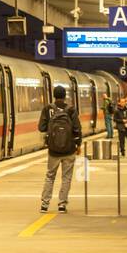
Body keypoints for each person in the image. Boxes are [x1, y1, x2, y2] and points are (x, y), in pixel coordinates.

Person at [39, 85, 82, 213]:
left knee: (50, 176)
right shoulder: (71, 110)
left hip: (53, 150)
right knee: (66, 177)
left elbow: (41, 127)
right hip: (69, 149)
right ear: (64, 96)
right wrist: (78, 144)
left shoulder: (48, 109)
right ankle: (62, 204)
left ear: (54, 95)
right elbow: (77, 129)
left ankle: (44, 204)